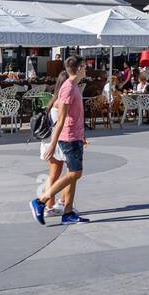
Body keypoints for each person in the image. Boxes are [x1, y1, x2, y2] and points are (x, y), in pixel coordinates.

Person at [30, 55, 91, 226]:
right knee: (75, 173)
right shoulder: (68, 88)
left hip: (76, 136)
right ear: (78, 68)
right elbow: (61, 118)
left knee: (74, 175)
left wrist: (82, 134)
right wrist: (53, 143)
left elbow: (75, 115)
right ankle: (41, 201)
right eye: (84, 66)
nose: (86, 68)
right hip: (68, 137)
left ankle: (68, 212)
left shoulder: (74, 86)